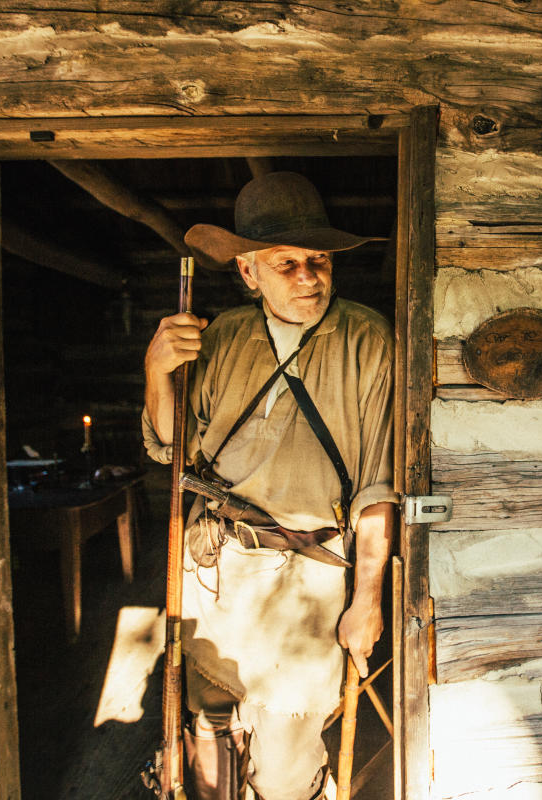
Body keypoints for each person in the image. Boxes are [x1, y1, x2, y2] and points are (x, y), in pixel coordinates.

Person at [142, 171, 396, 800]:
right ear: (249, 272)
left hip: (309, 579)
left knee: (284, 769)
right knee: (211, 746)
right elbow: (175, 451)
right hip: (216, 571)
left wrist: (367, 599)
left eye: (319, 260)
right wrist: (157, 369)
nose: (309, 275)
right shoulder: (221, 337)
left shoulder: (368, 341)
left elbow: (377, 486)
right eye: (288, 263)